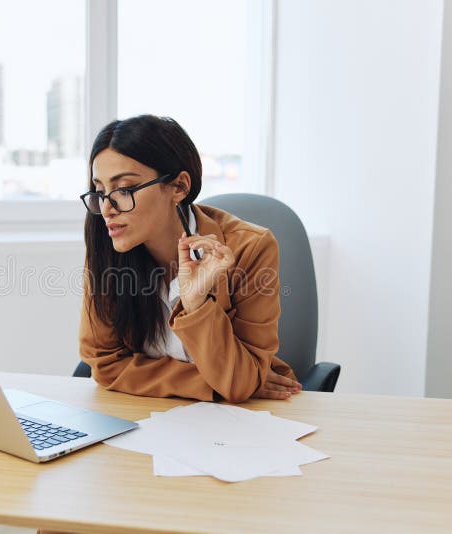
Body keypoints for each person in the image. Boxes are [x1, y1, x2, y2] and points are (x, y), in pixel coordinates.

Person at [78, 115, 301, 403]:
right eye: (100, 192)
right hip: (149, 416)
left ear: (179, 187)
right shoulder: (107, 247)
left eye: (124, 190)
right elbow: (105, 364)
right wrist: (213, 383)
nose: (107, 208)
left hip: (240, 426)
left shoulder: (250, 248)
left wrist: (195, 304)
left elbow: (241, 384)